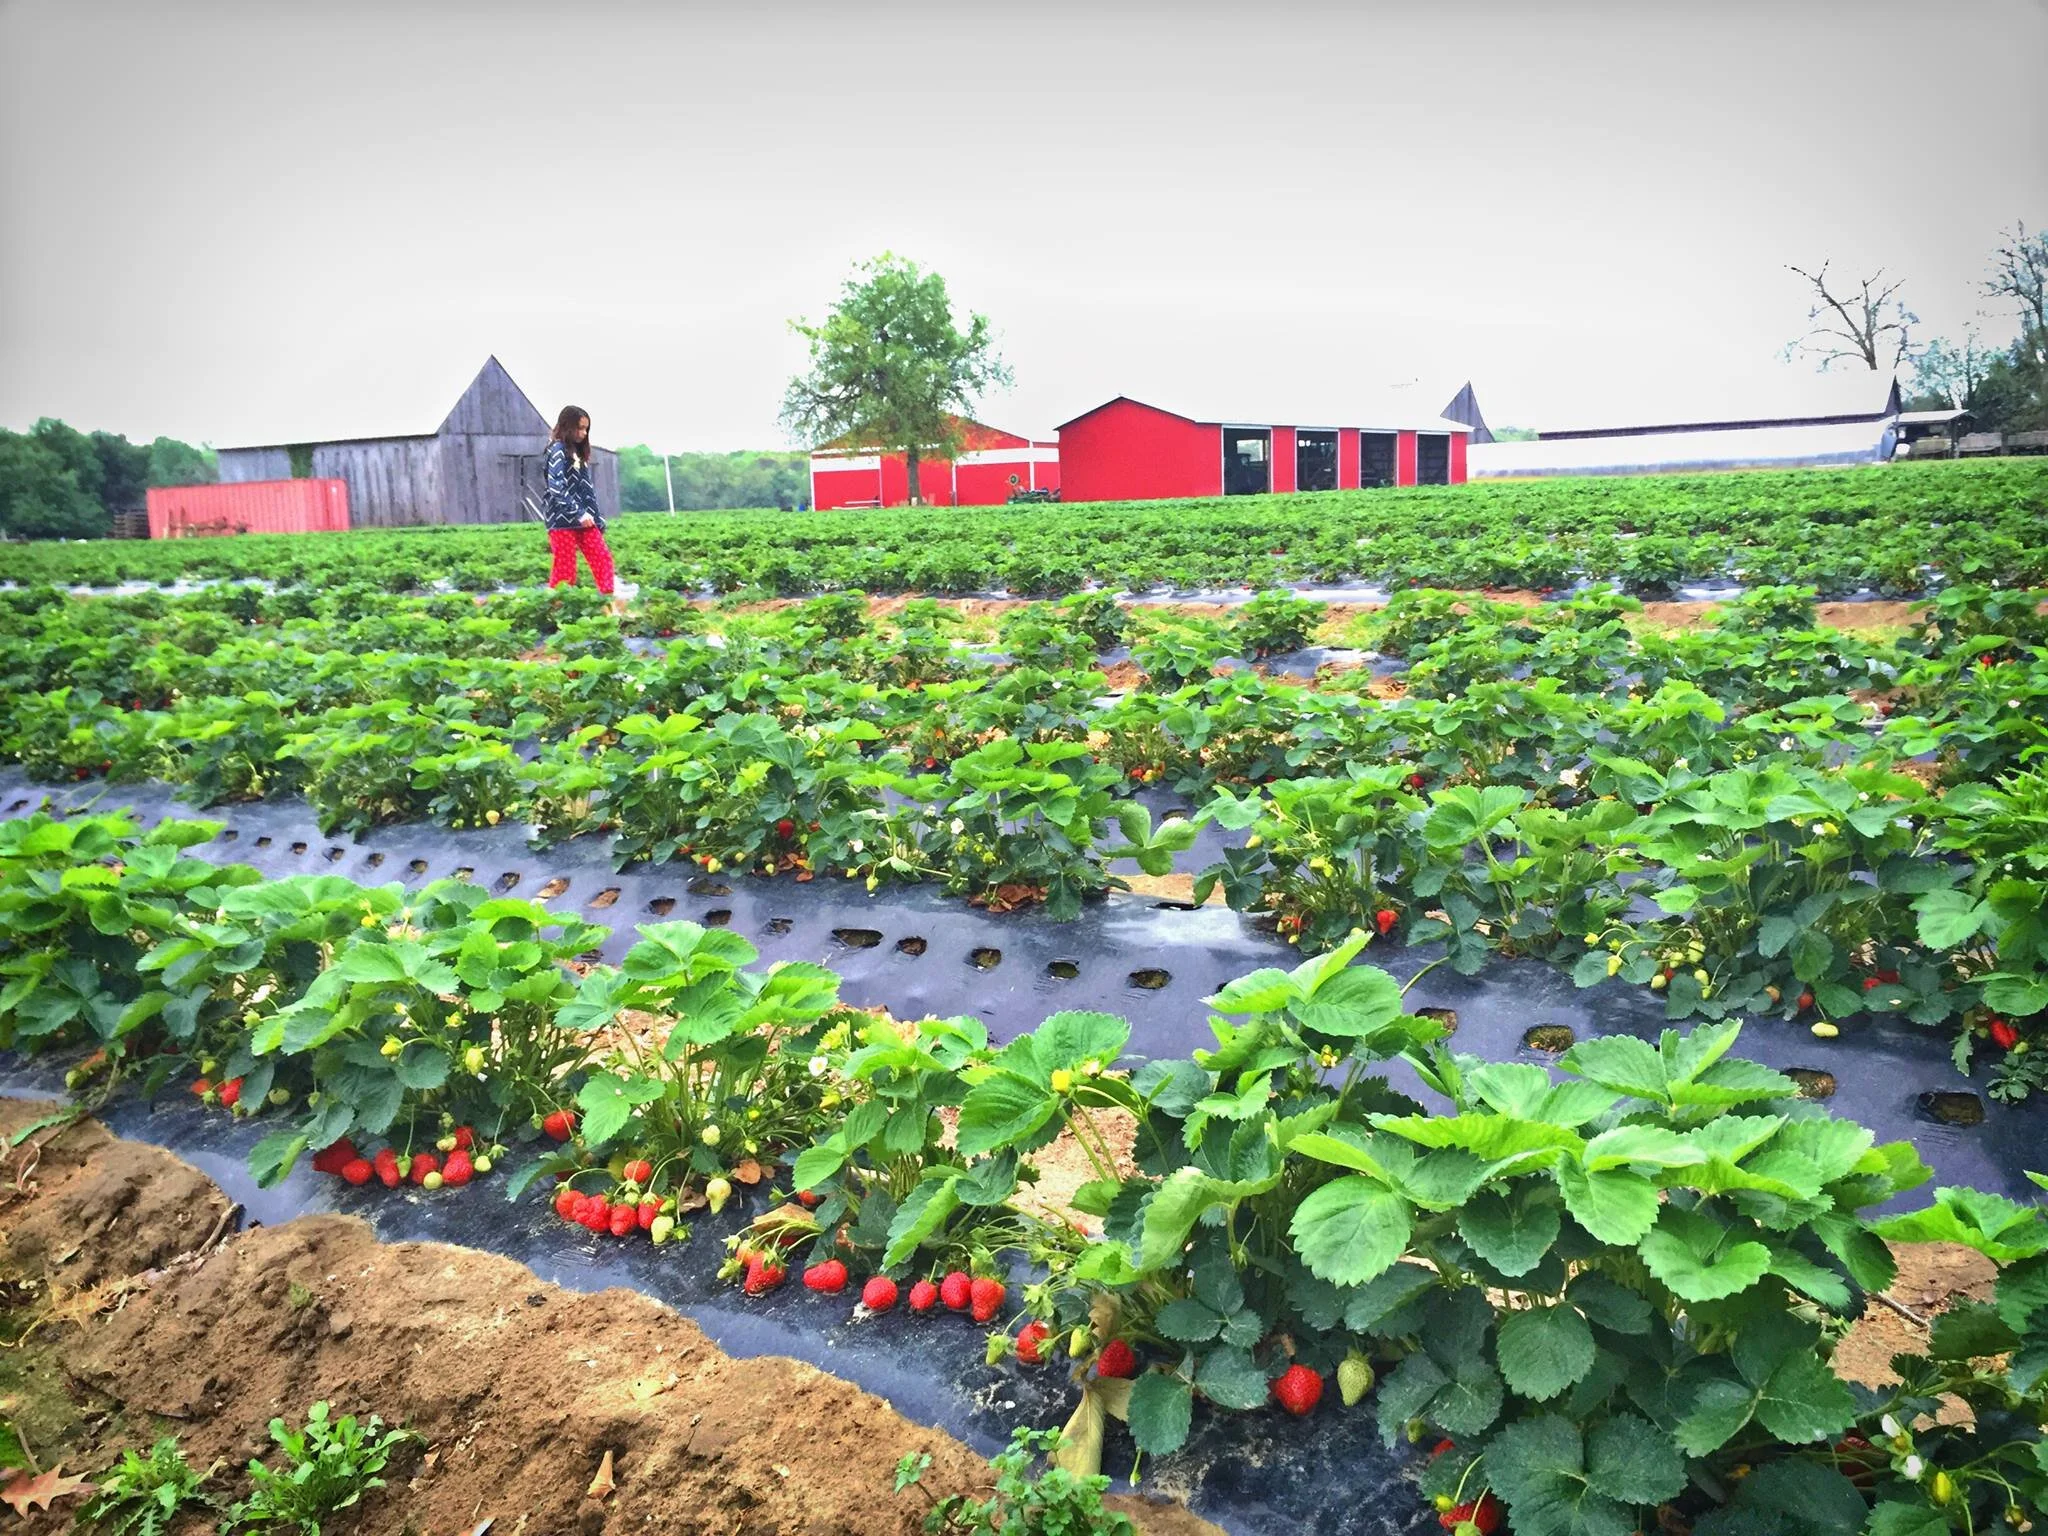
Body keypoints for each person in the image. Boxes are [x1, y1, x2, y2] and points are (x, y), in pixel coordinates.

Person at [543, 405, 617, 604]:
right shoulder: (557, 450)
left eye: (586, 429)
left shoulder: (578, 453)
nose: (583, 434)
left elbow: (586, 489)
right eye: (580, 428)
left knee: (602, 559)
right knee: (565, 571)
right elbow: (555, 485)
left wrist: (596, 516)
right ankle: (556, 611)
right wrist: (578, 513)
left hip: (585, 519)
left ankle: (607, 603)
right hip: (561, 520)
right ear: (567, 426)